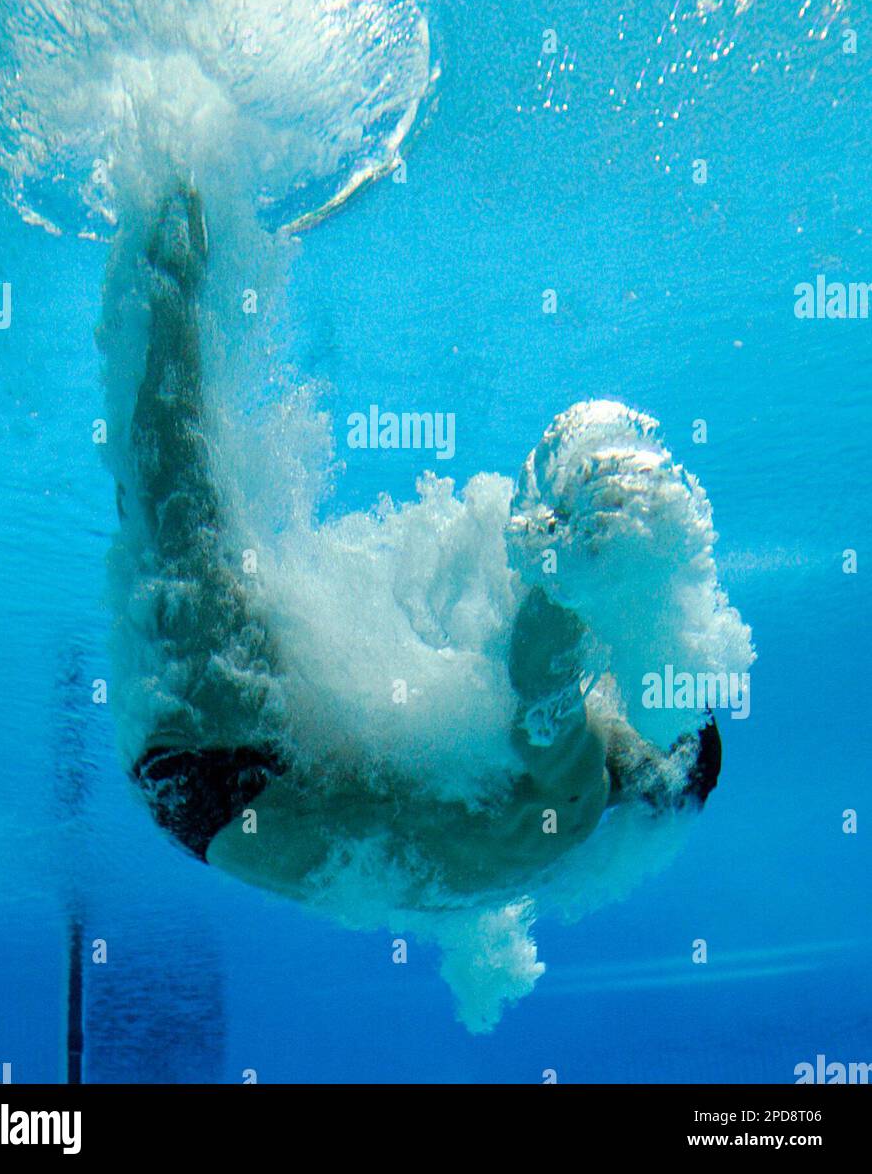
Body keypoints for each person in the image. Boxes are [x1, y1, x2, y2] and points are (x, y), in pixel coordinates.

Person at [113, 188, 721, 905]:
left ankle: (175, 166)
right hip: (212, 791)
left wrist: (579, 559)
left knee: (175, 448)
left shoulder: (578, 793)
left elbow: (537, 693)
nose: (615, 686)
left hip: (230, 764)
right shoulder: (535, 858)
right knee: (165, 483)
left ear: (660, 750)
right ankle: (169, 208)